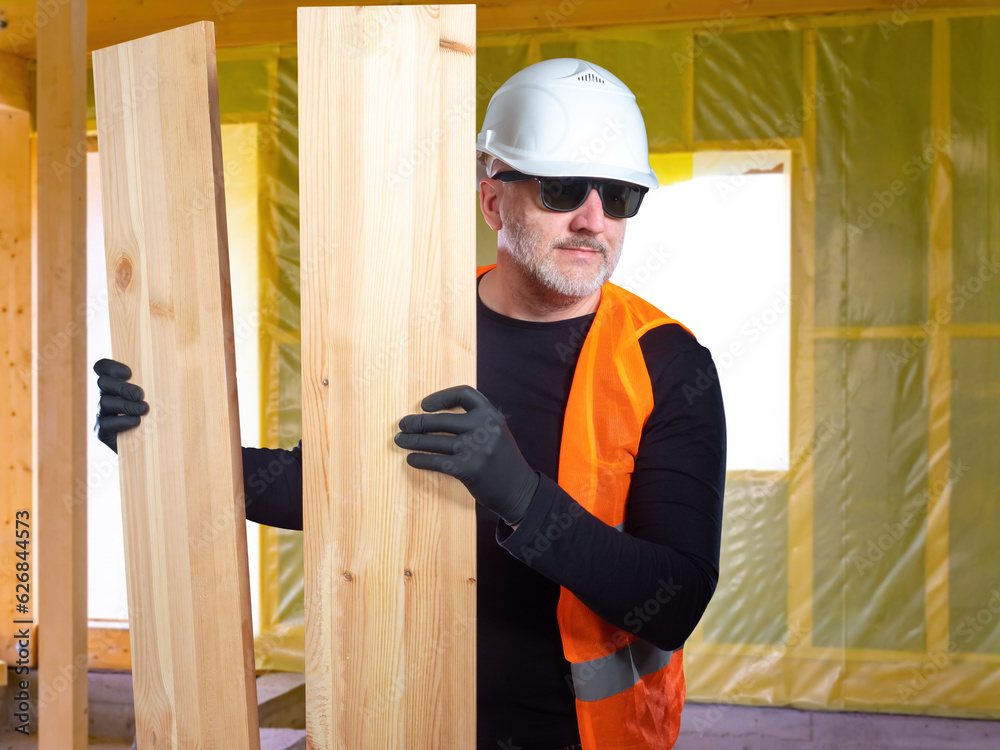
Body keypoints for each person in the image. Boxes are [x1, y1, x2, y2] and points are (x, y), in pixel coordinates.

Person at [95, 58, 726, 750]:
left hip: (583, 737)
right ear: (493, 202)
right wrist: (170, 445)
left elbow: (675, 600)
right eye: (562, 188)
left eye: (620, 195)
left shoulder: (667, 364)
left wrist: (519, 495)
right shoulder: (415, 332)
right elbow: (325, 489)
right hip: (400, 721)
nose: (592, 219)